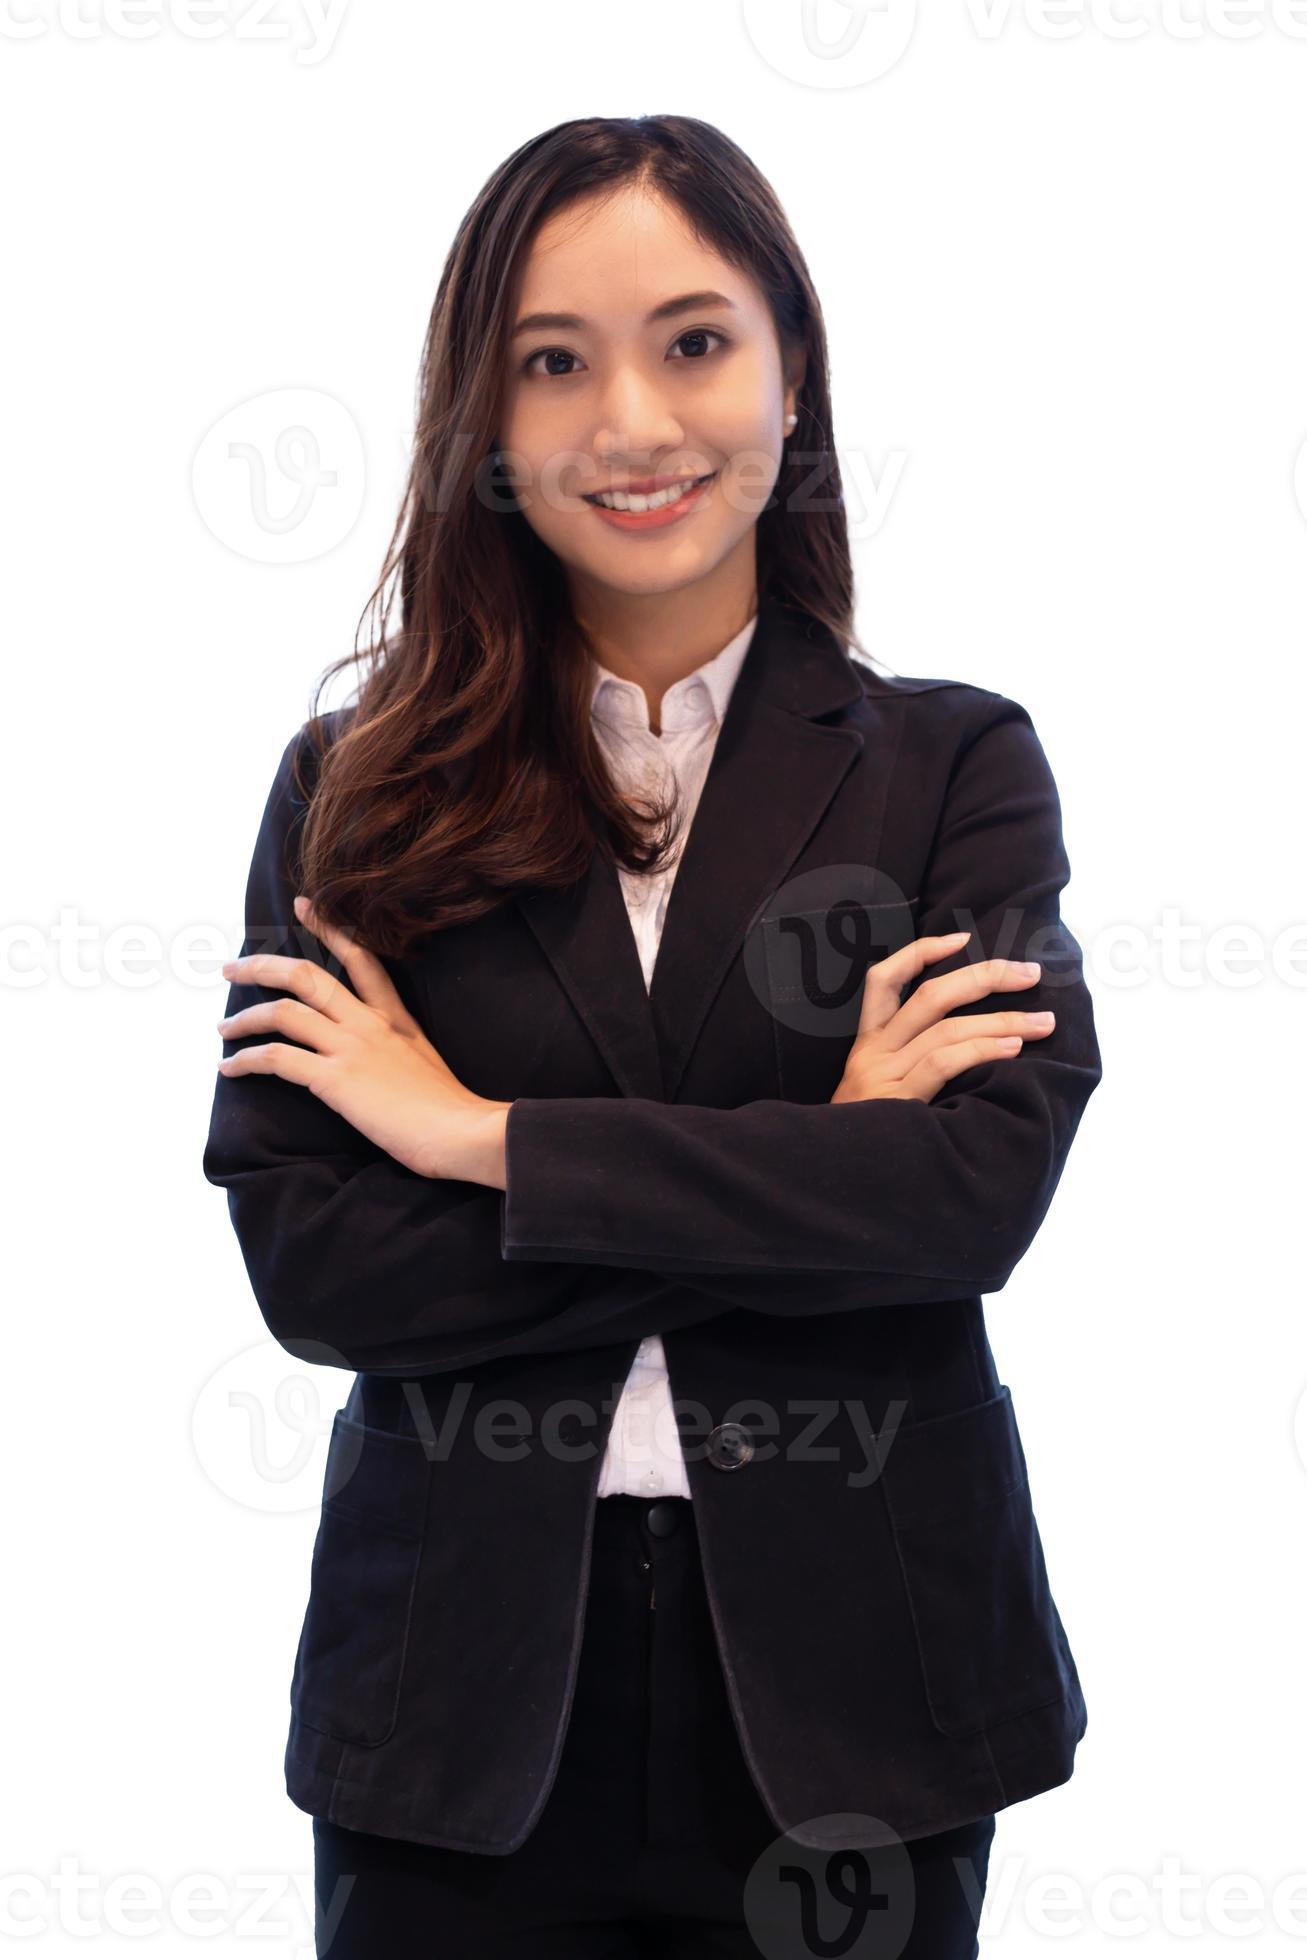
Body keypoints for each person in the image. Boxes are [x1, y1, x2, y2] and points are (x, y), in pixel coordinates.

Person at [203, 114, 1102, 1959]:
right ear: (487, 418)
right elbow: (318, 1267)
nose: (631, 420)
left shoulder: (955, 768)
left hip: (862, 1692)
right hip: (457, 1705)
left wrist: (478, 1140)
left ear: (791, 368)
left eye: (693, 341)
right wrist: (814, 1171)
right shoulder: (357, 794)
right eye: (554, 361)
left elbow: (966, 1203)